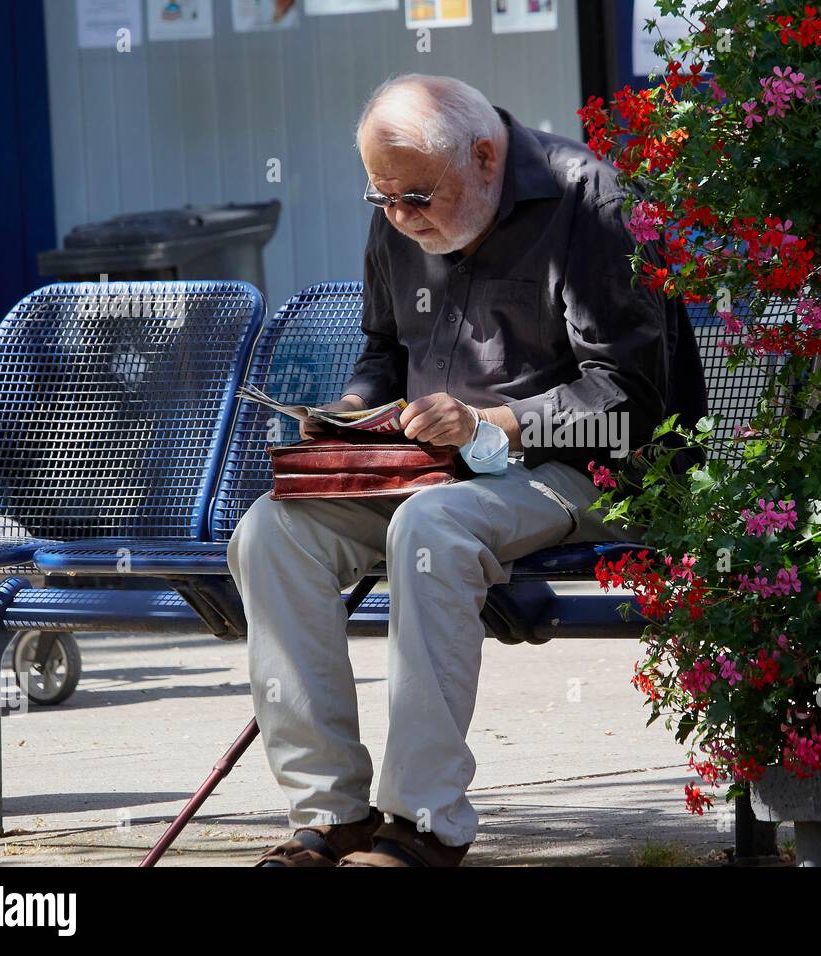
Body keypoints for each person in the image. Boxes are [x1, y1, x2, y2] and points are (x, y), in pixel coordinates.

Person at [226, 73, 707, 867]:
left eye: (416, 197)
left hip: (584, 470)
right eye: (380, 200)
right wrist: (351, 415)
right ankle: (332, 815)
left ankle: (422, 822)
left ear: (485, 157)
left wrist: (491, 424)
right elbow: (384, 355)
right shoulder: (398, 211)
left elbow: (631, 398)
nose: (400, 219)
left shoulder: (588, 202)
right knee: (269, 533)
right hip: (433, 469)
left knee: (433, 526)